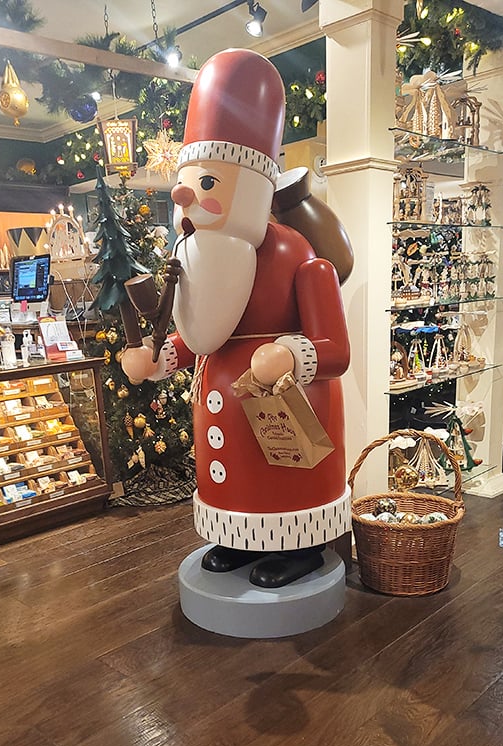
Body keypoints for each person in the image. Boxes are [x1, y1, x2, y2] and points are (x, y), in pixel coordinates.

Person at [121, 48, 351, 588]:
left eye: (209, 184)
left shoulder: (296, 254)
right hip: (221, 403)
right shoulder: (194, 256)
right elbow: (199, 332)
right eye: (188, 183)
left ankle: (299, 546)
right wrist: (158, 359)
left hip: (286, 402)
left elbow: (335, 350)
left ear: (251, 188)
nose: (186, 195)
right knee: (239, 480)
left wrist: (290, 353)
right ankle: (238, 537)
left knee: (282, 479)